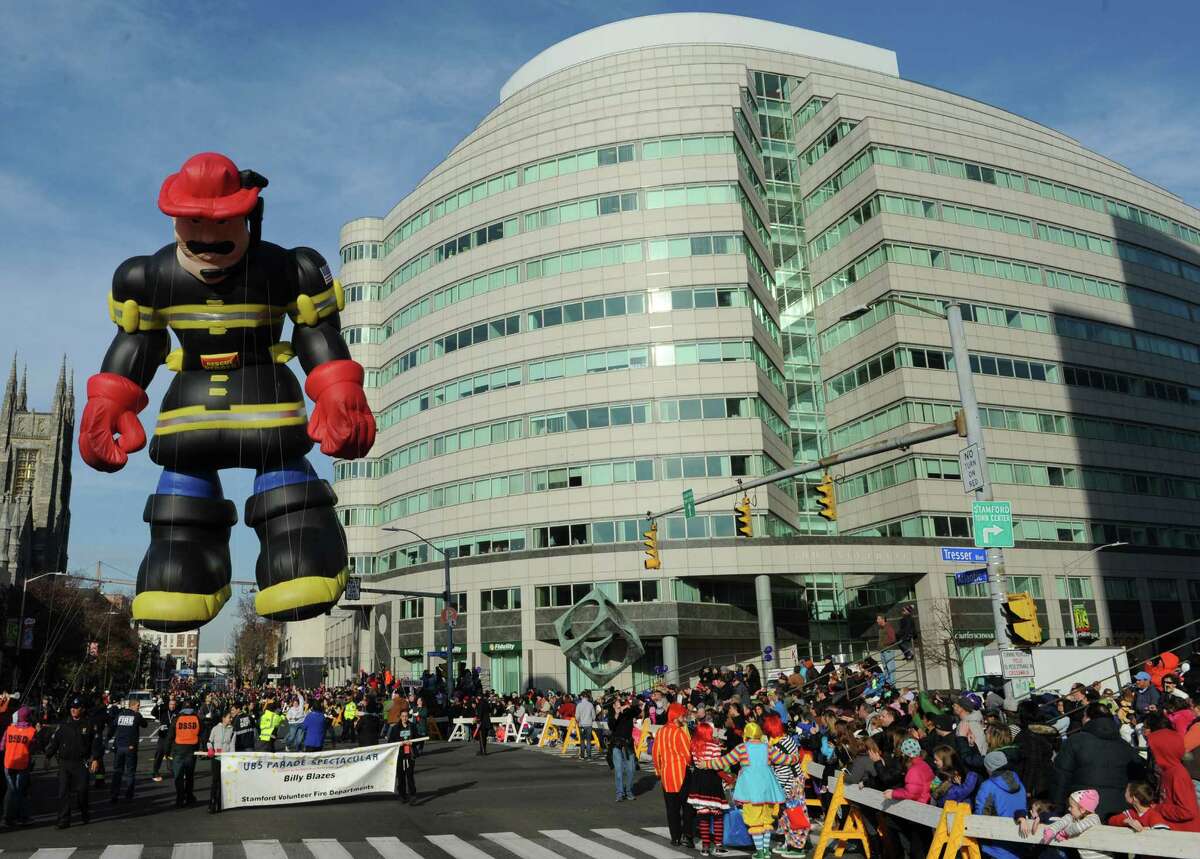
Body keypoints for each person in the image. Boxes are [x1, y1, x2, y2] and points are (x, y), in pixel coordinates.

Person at [696, 721, 804, 859]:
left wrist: (706, 764)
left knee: (754, 821)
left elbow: (724, 761)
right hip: (768, 789)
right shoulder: (767, 748)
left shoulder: (742, 748)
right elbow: (784, 759)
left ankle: (759, 852)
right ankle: (766, 851)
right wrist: (795, 757)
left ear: (746, 734)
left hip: (751, 790)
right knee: (767, 820)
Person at [1051, 701, 1142, 819]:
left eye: (1083, 716)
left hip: (1083, 809)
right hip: (1119, 810)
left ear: (1088, 718)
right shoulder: (1125, 746)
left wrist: (1056, 809)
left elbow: (1061, 777)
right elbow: (1138, 775)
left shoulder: (1075, 741)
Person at [44, 696, 102, 829]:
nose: (73, 710)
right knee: (63, 792)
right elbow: (55, 742)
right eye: (72, 708)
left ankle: (84, 811)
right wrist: (48, 757)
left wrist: (95, 759)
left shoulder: (89, 725)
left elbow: (96, 743)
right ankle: (63, 820)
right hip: (65, 763)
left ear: (82, 709)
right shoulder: (64, 725)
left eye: (76, 708)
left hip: (81, 763)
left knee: (82, 791)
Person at [652, 703, 696, 849]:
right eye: (683, 715)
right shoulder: (679, 733)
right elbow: (688, 755)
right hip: (681, 773)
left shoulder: (661, 732)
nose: (685, 717)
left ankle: (675, 837)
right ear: (677, 716)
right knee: (688, 807)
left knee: (672, 808)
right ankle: (687, 835)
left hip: (666, 775)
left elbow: (655, 753)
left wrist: (659, 771)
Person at [1145, 717, 1200, 831]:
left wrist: (1159, 808)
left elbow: (1187, 811)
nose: (1152, 754)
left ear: (1163, 750)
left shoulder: (1177, 774)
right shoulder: (1167, 772)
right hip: (1176, 830)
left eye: (1154, 750)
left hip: (1186, 834)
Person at [973, 752, 1026, 859]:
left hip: (994, 847)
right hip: (1018, 843)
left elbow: (981, 816)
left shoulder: (987, 786)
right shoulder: (1020, 784)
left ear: (989, 768)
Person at [686, 721, 728, 857]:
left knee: (703, 814)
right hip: (712, 780)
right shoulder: (715, 747)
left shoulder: (694, 747)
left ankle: (705, 846)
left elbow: (695, 763)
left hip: (698, 781)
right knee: (717, 814)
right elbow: (717, 766)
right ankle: (718, 845)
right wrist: (729, 778)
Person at [1028, 789, 1107, 859]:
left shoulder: (1093, 818)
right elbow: (1063, 821)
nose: (1068, 808)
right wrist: (1051, 830)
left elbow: (1078, 827)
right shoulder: (1075, 818)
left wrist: (1064, 833)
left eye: (1071, 807)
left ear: (1082, 810)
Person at [1, 706, 37, 826]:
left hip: (9, 763)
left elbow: (2, 746)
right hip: (22, 765)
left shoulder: (10, 729)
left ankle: (7, 818)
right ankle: (22, 817)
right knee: (20, 791)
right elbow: (33, 748)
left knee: (11, 791)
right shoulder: (32, 731)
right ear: (28, 717)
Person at [107, 696, 147, 802]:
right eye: (138, 706)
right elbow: (145, 724)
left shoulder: (120, 715)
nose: (139, 708)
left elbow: (112, 727)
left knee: (117, 772)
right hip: (130, 747)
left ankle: (114, 794)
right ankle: (129, 794)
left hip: (119, 746)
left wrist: (107, 739)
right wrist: (138, 716)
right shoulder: (136, 715)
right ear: (133, 705)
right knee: (130, 772)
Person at [170, 698, 202, 807]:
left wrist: (166, 751)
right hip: (191, 750)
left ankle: (180, 797)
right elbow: (202, 733)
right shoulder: (196, 718)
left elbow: (170, 736)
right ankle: (189, 796)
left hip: (178, 750)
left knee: (178, 776)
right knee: (189, 776)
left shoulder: (177, 718)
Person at [609, 694, 638, 802]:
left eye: (621, 702)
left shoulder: (628, 713)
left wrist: (628, 704)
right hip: (616, 744)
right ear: (613, 705)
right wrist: (617, 713)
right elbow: (611, 726)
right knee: (619, 770)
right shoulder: (613, 714)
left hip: (628, 744)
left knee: (631, 769)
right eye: (617, 703)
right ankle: (620, 793)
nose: (619, 704)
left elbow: (637, 710)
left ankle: (629, 791)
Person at [206, 710, 235, 814]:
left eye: (231, 718)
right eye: (229, 717)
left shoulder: (232, 730)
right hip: (216, 759)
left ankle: (220, 804)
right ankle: (212, 803)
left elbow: (232, 745)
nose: (231, 719)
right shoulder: (215, 728)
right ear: (223, 718)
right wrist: (210, 749)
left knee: (224, 782)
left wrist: (232, 758)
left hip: (226, 760)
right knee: (215, 781)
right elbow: (209, 741)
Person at [389, 709, 417, 803]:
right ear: (400, 717)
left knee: (410, 775)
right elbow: (390, 741)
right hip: (399, 755)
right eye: (403, 716)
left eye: (406, 716)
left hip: (410, 754)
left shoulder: (412, 726)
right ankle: (402, 795)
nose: (404, 718)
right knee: (400, 776)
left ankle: (412, 795)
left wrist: (412, 743)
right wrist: (398, 743)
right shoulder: (395, 728)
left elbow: (419, 739)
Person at [151, 696, 176, 781]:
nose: (172, 706)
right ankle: (155, 772)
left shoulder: (177, 713)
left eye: (173, 704)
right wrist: (157, 705)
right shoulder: (164, 712)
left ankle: (174, 771)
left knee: (171, 756)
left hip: (172, 738)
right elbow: (153, 713)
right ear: (168, 705)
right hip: (163, 737)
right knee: (159, 755)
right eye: (171, 704)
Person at [875, 614, 898, 685]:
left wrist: (884, 643)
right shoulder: (881, 628)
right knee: (885, 668)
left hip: (888, 650)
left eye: (878, 619)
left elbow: (893, 639)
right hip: (883, 651)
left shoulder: (888, 627)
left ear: (883, 619)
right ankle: (888, 685)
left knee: (890, 668)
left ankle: (892, 685)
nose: (877, 621)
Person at [575, 690, 596, 760]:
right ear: (587, 697)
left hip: (581, 725)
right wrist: (591, 719)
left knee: (582, 740)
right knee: (589, 740)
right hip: (589, 724)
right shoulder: (590, 705)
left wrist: (578, 721)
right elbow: (594, 716)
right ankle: (589, 756)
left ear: (582, 697)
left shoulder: (579, 705)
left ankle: (582, 755)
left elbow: (577, 716)